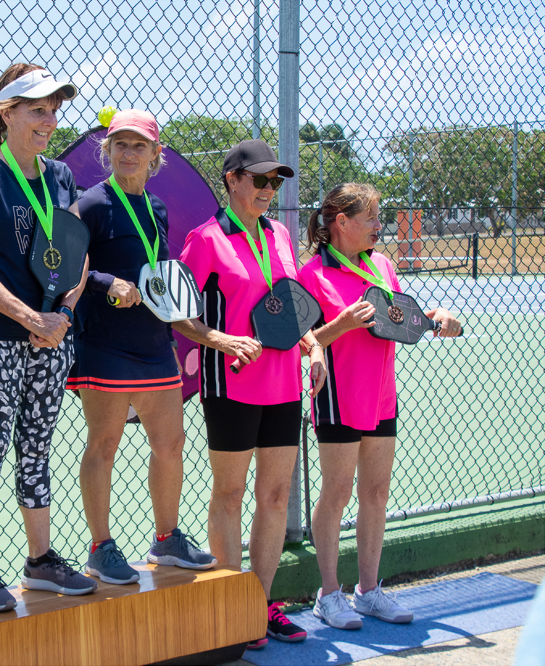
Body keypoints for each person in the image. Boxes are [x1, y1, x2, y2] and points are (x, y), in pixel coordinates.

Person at [0, 62, 95, 612]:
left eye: (55, 109)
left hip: (54, 335)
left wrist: (59, 315)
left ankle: (39, 562)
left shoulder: (59, 176)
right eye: (37, 109)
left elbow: (76, 251)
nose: (49, 119)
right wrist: (31, 319)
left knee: (36, 446)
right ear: (6, 113)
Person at [173, 139, 327, 650]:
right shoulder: (205, 240)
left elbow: (287, 304)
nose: (268, 190)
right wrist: (220, 339)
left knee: (277, 495)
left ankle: (259, 604)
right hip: (230, 384)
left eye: (274, 183)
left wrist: (312, 344)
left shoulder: (281, 235)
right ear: (232, 180)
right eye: (259, 180)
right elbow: (180, 315)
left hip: (284, 384)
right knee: (231, 494)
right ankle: (228, 606)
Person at [300, 183, 461, 630]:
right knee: (336, 495)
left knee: (376, 493)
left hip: (381, 396)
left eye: (377, 216)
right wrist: (341, 323)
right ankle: (328, 594)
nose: (378, 225)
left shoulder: (383, 266)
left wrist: (436, 318)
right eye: (369, 217)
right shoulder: (312, 275)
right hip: (337, 397)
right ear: (341, 223)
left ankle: (368, 592)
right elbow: (304, 342)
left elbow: (399, 321)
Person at [68, 109, 215, 584]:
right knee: (104, 445)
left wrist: (188, 321)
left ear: (156, 155)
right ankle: (100, 548)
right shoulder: (90, 205)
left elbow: (160, 269)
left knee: (171, 442)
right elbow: (66, 270)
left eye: (139, 146)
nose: (129, 154)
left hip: (155, 341)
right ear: (107, 151)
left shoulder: (157, 208)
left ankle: (167, 539)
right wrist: (108, 281)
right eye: (121, 145)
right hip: (105, 344)